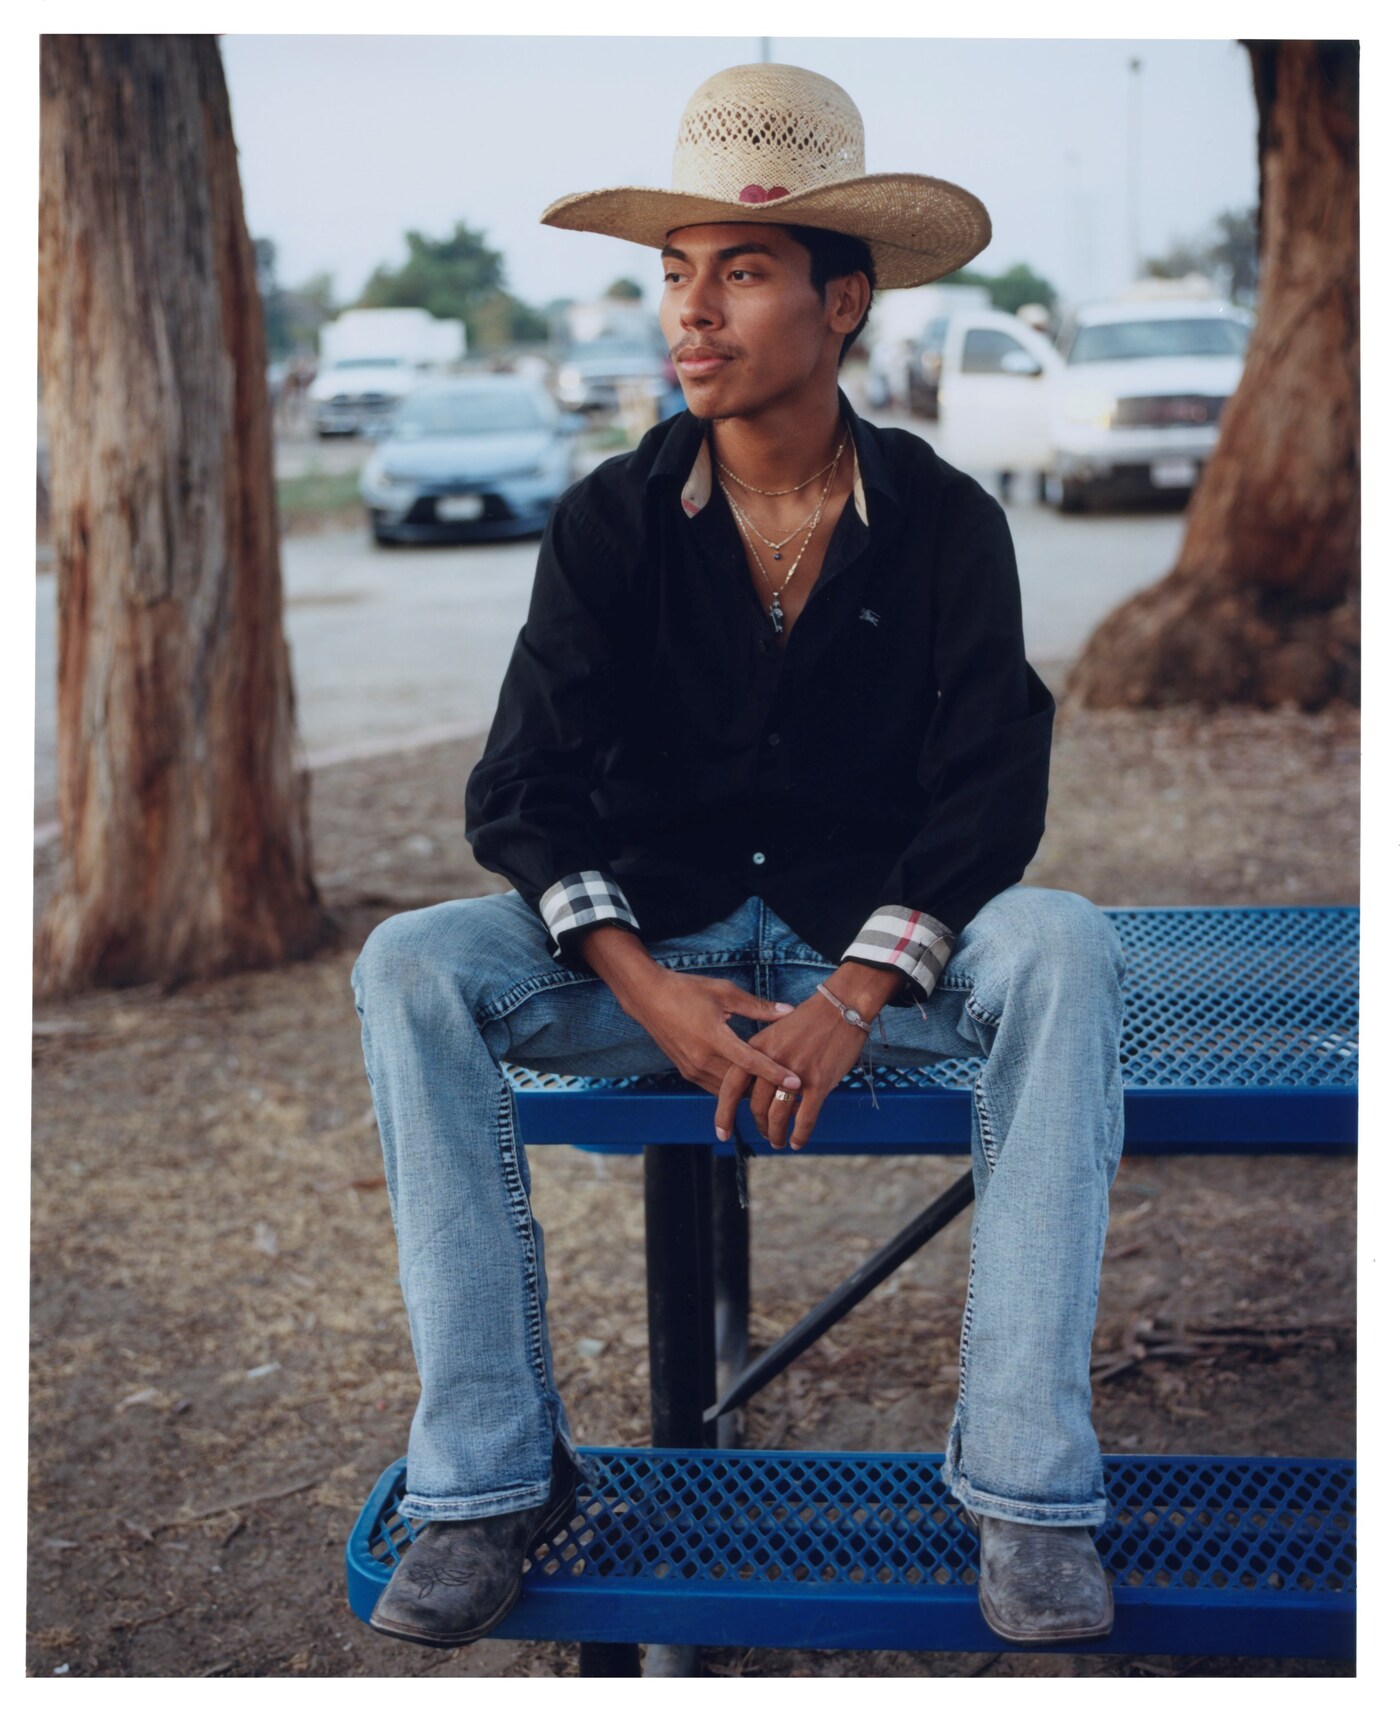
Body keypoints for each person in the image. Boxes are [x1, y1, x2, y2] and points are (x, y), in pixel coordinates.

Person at [352, 62, 1125, 1653]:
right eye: (674, 274)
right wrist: (646, 990)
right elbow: (524, 787)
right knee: (411, 963)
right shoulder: (612, 520)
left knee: (1063, 944)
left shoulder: (947, 521)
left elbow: (993, 785)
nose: (692, 315)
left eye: (743, 272)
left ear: (843, 303)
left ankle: (1029, 1497)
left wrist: (856, 989)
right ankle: (491, 1482)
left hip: (880, 960)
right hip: (656, 952)